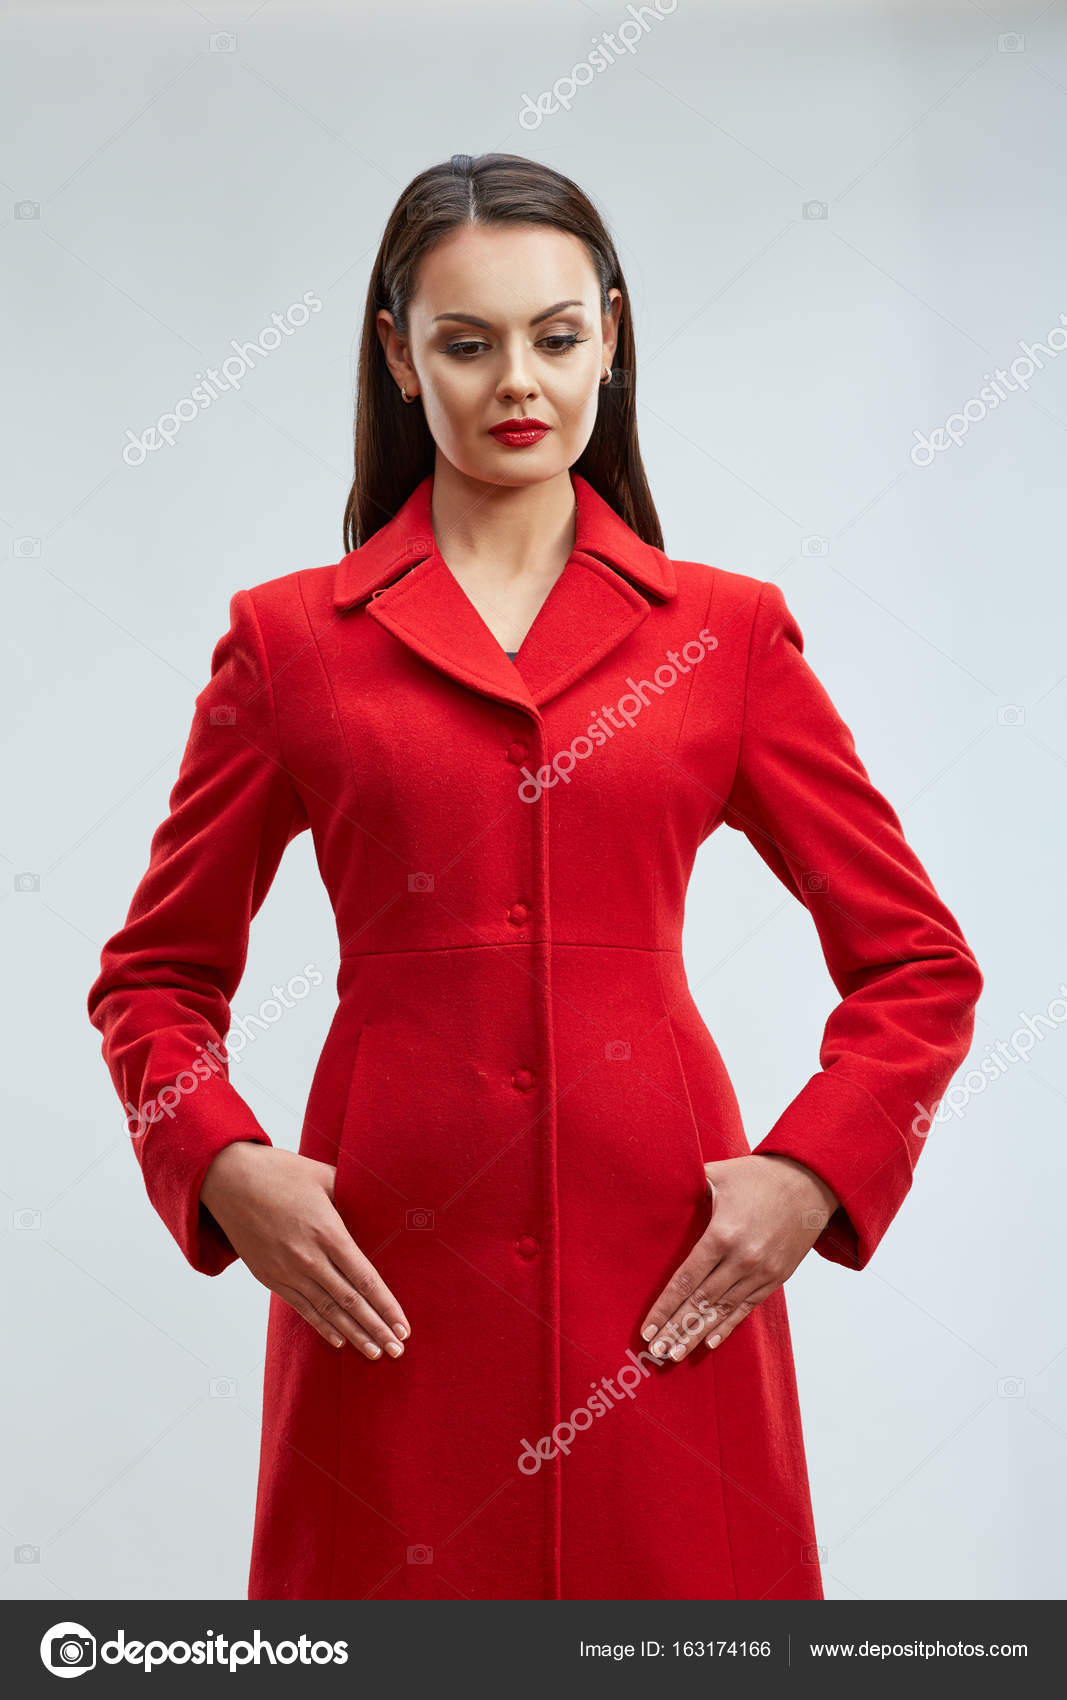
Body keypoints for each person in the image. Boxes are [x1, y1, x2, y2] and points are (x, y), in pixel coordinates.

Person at [87, 152, 983, 1602]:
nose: (521, 380)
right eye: (466, 341)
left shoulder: (727, 636)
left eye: (557, 337)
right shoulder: (289, 643)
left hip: (669, 1276)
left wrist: (813, 1172)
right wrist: (221, 1162)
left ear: (612, 338)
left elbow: (920, 964)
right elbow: (154, 979)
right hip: (384, 1280)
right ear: (396, 355)